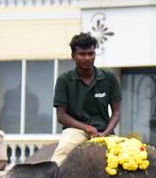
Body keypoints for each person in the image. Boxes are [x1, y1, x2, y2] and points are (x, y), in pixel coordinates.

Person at [51, 33, 122, 166]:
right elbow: (61, 116)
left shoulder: (109, 78)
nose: (87, 58)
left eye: (91, 53)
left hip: (104, 131)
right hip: (76, 130)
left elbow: (116, 112)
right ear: (73, 56)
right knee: (61, 155)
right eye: (82, 54)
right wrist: (87, 128)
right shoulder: (64, 80)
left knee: (127, 158)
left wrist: (106, 132)